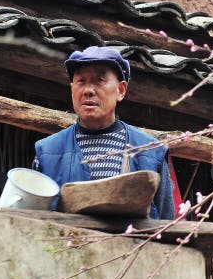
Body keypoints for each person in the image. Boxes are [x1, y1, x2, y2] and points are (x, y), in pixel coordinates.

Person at [33, 46, 175, 219]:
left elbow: (166, 224)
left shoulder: (151, 152)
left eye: (99, 80)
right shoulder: (47, 151)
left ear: (121, 90)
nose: (88, 90)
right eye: (81, 81)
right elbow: (32, 221)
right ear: (72, 88)